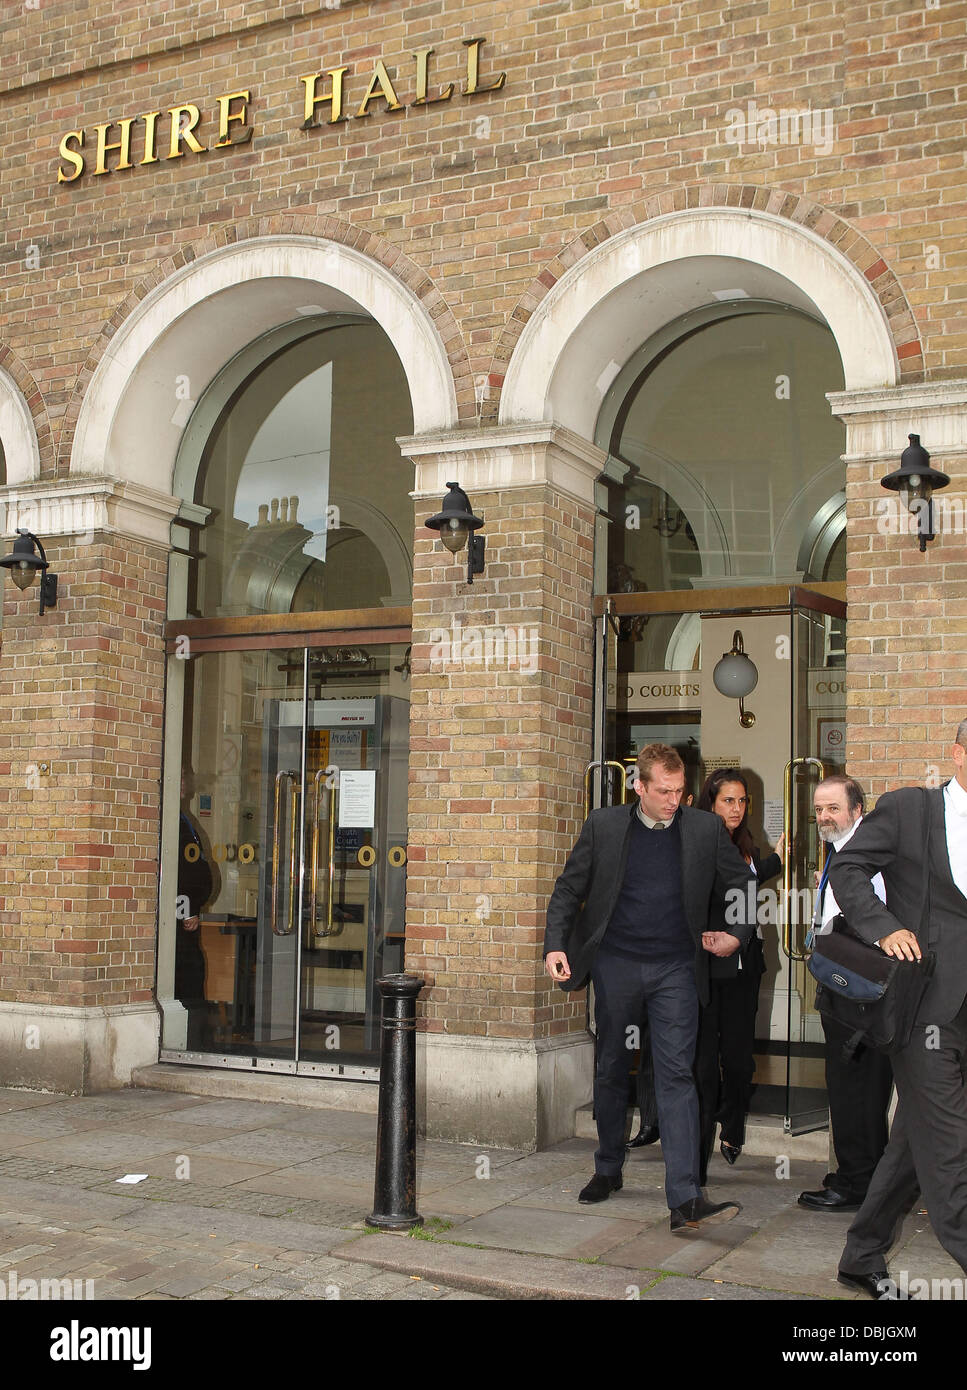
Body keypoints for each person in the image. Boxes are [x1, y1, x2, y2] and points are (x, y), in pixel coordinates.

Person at [544, 743, 755, 1232]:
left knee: (678, 1075)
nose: (673, 800)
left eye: (680, 791)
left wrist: (736, 933)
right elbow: (569, 889)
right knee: (613, 1065)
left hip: (676, 968)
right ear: (638, 786)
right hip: (617, 964)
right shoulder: (605, 825)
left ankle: (685, 1197)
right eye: (663, 791)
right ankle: (607, 1167)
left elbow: (740, 884)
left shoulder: (703, 828)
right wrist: (556, 945)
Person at [831, 722, 967, 1295]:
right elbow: (848, 868)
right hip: (926, 1013)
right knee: (952, 1152)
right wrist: (884, 928)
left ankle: (862, 1254)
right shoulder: (912, 809)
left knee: (917, 1139)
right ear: (959, 753)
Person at [797, 775, 892, 1214]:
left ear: (857, 810)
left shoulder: (863, 857)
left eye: (833, 808)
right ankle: (861, 1177)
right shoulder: (840, 852)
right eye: (818, 809)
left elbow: (872, 923)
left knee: (856, 1090)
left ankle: (857, 1186)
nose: (823, 817)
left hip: (858, 995)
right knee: (852, 1088)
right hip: (844, 989)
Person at [693, 769, 784, 1182]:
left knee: (738, 1056)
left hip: (745, 967)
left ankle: (732, 1126)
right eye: (728, 800)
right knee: (705, 1060)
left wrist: (774, 861)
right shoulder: (695, 843)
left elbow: (746, 885)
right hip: (708, 965)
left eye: (742, 800)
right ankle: (699, 1136)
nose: (736, 808)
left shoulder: (746, 846)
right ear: (710, 803)